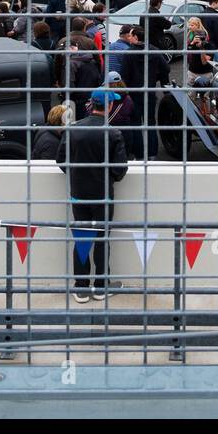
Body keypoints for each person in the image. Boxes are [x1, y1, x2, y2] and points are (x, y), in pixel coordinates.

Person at [56, 88, 129, 302]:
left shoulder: (73, 129)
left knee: (82, 239)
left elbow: (61, 160)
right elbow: (120, 169)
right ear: (108, 106)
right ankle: (100, 285)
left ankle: (81, 287)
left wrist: (78, 174)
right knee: (101, 240)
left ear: (90, 104)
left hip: (78, 194)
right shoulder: (113, 133)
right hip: (102, 195)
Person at [184, 17, 213, 85]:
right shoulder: (190, 36)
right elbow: (185, 51)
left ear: (198, 26)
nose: (190, 27)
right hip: (192, 70)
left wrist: (202, 46)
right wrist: (192, 43)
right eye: (189, 25)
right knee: (190, 94)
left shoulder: (206, 41)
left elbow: (204, 62)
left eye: (192, 25)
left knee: (204, 94)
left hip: (205, 72)